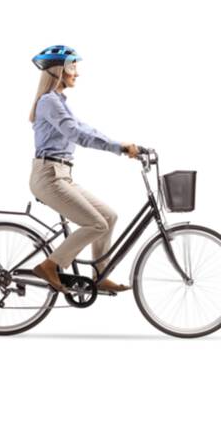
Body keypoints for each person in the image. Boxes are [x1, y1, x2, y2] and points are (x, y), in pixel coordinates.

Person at [27, 45, 139, 293]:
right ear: (59, 70)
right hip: (49, 176)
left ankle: (100, 277)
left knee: (108, 217)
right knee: (96, 224)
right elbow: (77, 134)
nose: (76, 73)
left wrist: (121, 144)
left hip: (62, 175)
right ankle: (49, 265)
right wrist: (118, 148)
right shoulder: (49, 102)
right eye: (72, 67)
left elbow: (86, 129)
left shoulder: (59, 102)